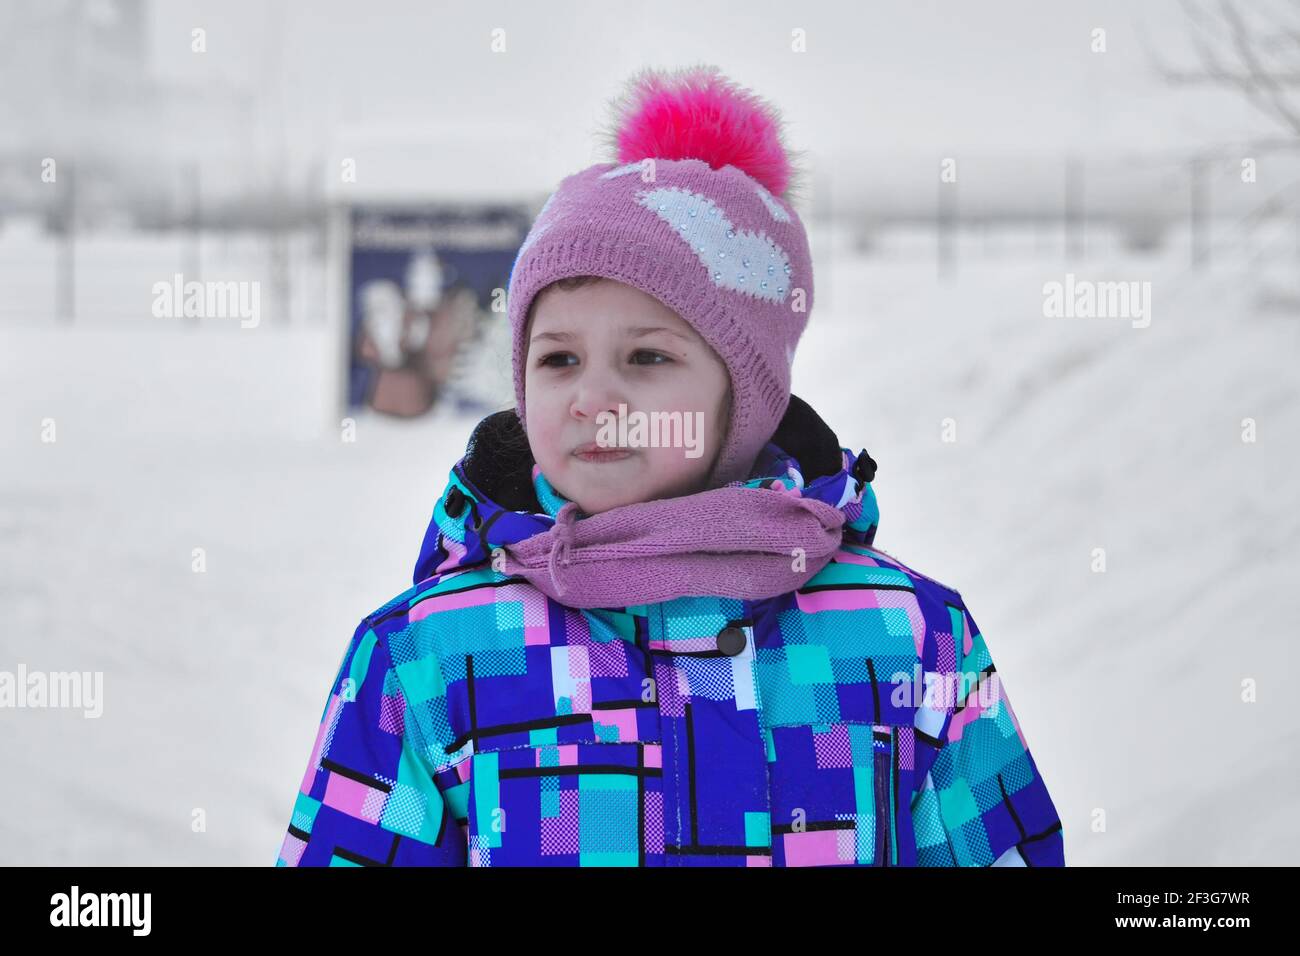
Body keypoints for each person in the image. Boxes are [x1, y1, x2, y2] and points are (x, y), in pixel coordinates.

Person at [276, 64, 1064, 867]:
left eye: (647, 356)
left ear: (744, 395)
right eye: (558, 361)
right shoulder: (428, 658)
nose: (593, 397)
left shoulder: (908, 641)